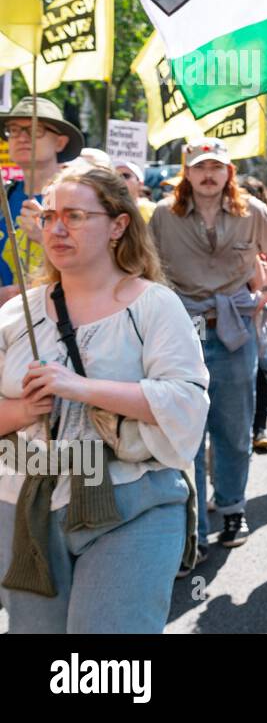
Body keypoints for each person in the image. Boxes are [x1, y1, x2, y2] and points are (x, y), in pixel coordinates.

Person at [0, 167, 208, 632]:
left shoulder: (154, 306)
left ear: (118, 226)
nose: (56, 228)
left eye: (75, 216)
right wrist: (22, 410)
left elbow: (186, 403)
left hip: (131, 500)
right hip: (23, 506)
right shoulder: (17, 314)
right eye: (51, 215)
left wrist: (79, 387)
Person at [149, 139, 267, 554]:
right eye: (200, 167)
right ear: (186, 172)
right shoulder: (161, 215)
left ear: (229, 173)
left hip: (234, 330)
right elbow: (144, 263)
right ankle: (191, 525)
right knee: (184, 429)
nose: (208, 174)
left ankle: (232, 508)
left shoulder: (253, 212)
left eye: (217, 167)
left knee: (232, 427)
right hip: (179, 329)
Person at [0, 97, 84, 306]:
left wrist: (43, 237)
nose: (21, 138)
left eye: (34, 130)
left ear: (60, 142)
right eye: (14, 130)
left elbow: (95, 267)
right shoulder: (4, 196)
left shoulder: (80, 197)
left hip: (60, 321)